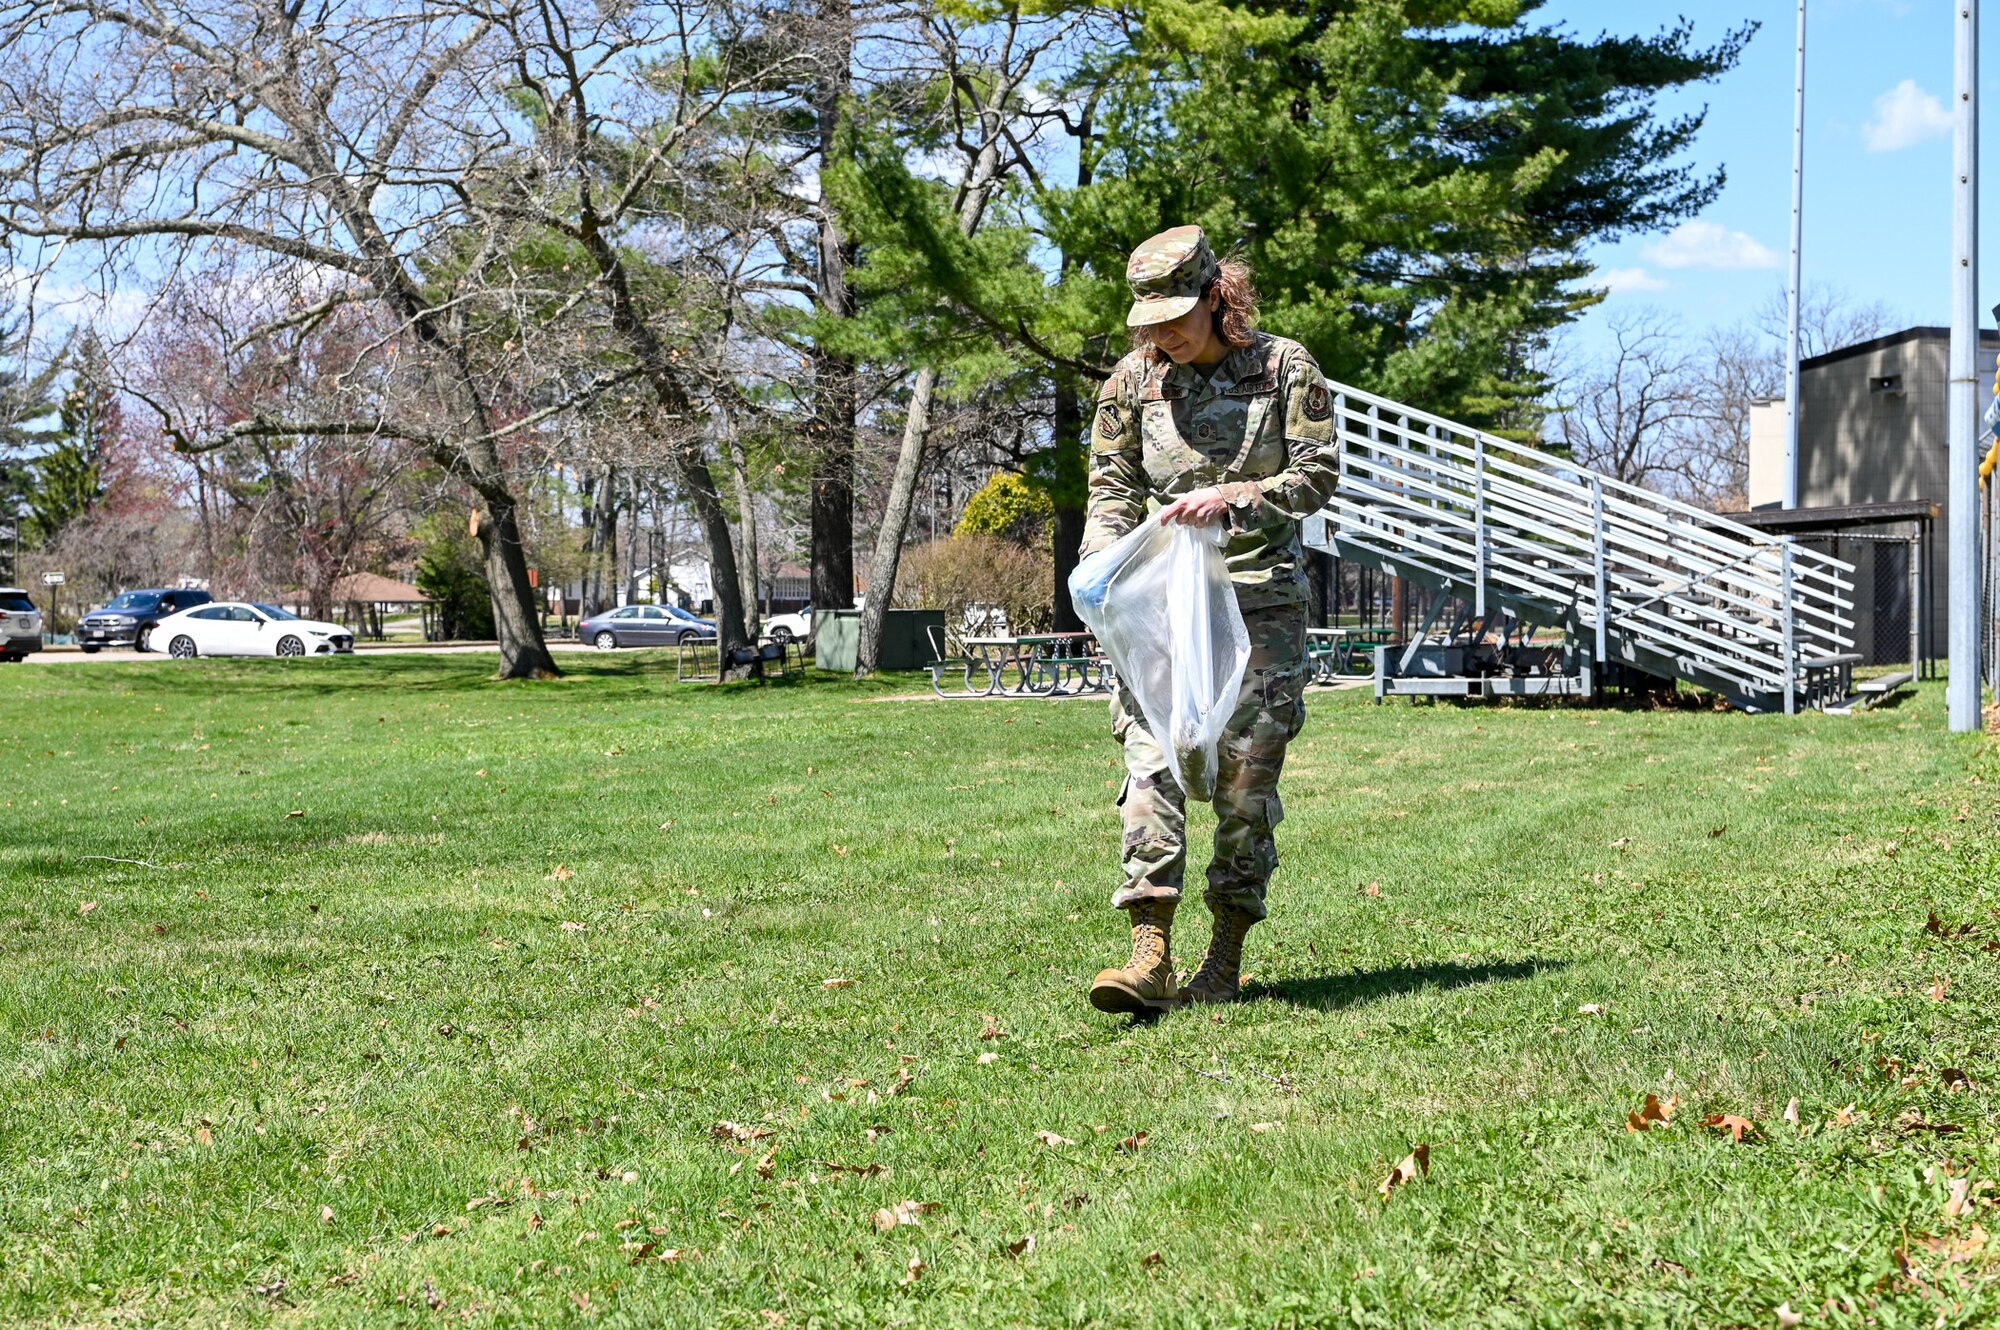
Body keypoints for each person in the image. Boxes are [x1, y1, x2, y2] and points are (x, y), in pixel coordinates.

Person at [1080, 224, 1342, 1014]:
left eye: (1175, 316)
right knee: (1150, 763)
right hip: (1157, 609)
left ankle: (1223, 959)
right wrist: (1102, 577)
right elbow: (1111, 486)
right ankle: (1149, 954)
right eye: (1148, 321)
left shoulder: (1283, 367)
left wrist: (1235, 499)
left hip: (1259, 603)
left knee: (1243, 782)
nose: (1162, 334)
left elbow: (1319, 471)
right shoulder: (1132, 382)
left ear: (1214, 297)